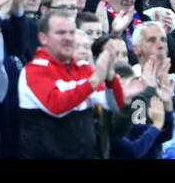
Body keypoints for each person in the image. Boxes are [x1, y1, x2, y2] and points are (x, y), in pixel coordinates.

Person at [18, 9, 124, 158]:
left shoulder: (83, 69)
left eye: (71, 33)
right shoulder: (34, 70)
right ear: (43, 38)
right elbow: (56, 106)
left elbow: (113, 104)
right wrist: (94, 80)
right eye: (60, 33)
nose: (68, 38)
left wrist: (111, 78)